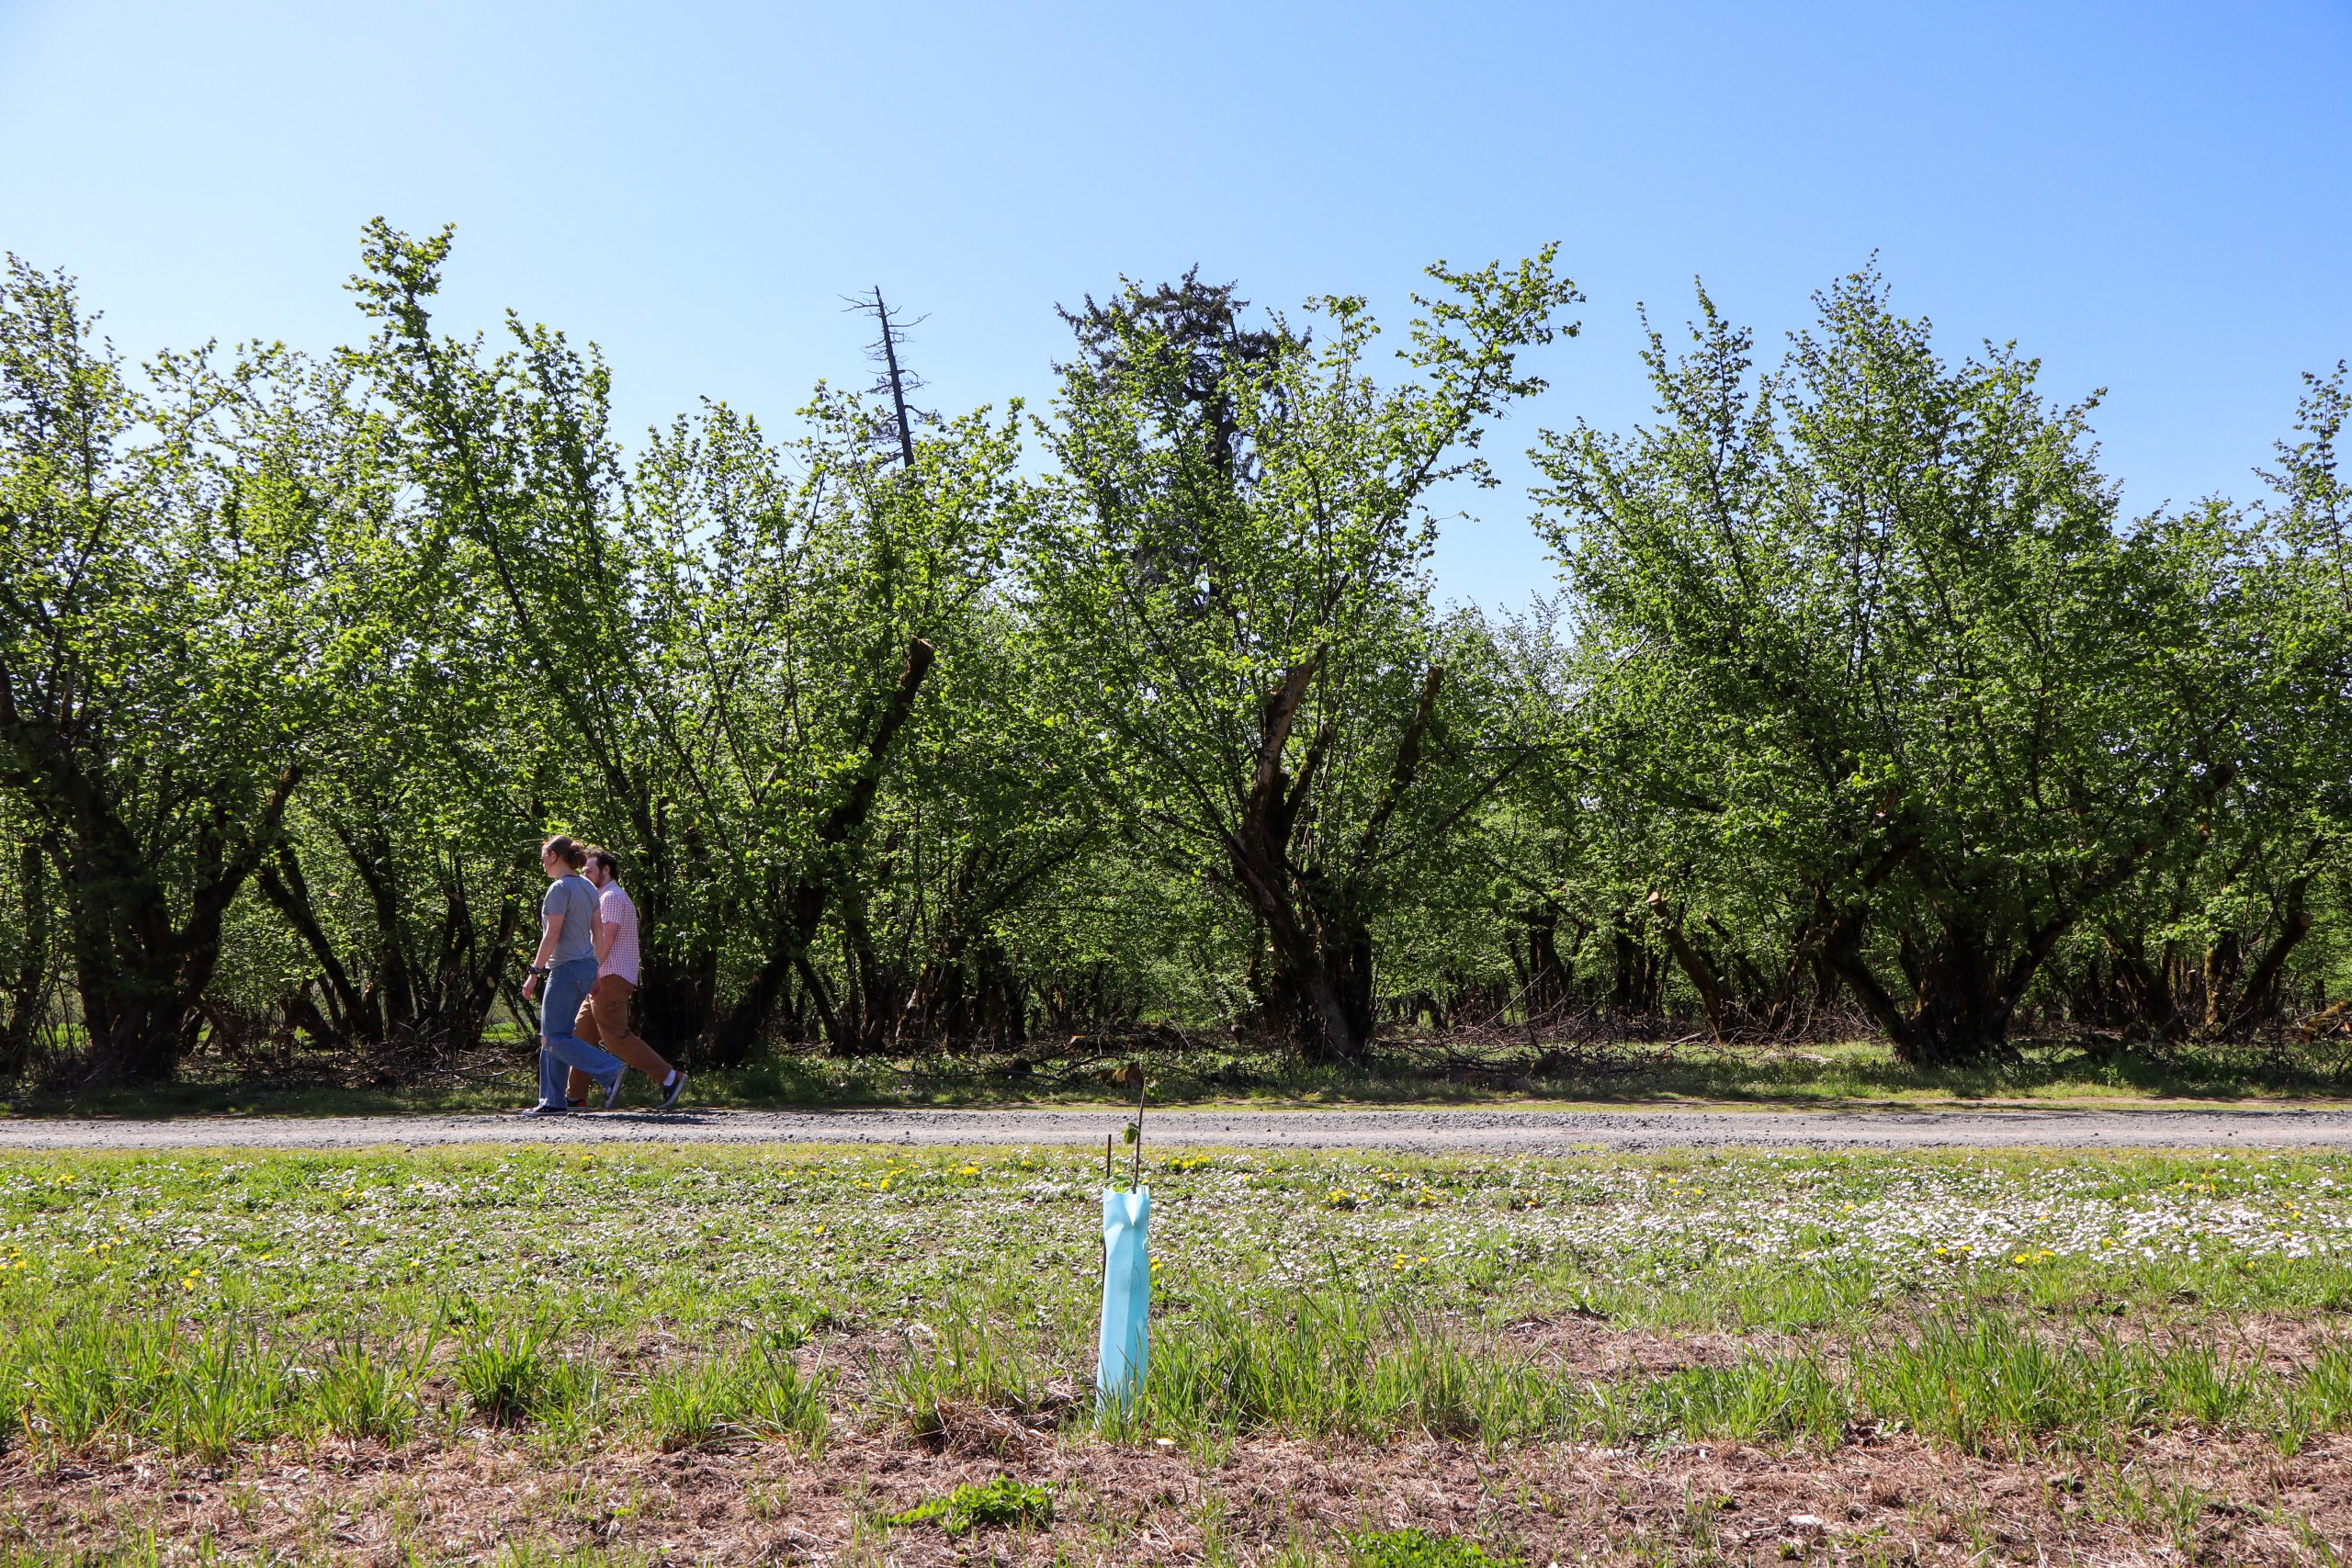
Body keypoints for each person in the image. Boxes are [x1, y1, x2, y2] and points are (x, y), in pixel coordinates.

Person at [563, 847, 687, 1110]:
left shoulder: (611, 898)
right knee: (581, 1033)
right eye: (583, 871)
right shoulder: (603, 897)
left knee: (616, 1036)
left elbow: (605, 939)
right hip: (602, 975)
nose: (585, 876)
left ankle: (669, 1077)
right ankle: (575, 1097)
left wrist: (591, 972)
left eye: (590, 871)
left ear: (606, 870)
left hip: (609, 976)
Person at [519, 835, 625, 1115]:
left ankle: (610, 1069)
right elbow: (598, 934)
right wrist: (594, 970)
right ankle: (552, 1101)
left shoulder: (559, 888)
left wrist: (534, 972)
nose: (542, 863)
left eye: (544, 857)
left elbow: (551, 935)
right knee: (555, 1035)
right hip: (586, 966)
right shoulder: (588, 887)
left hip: (565, 969)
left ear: (554, 856)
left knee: (553, 1037)